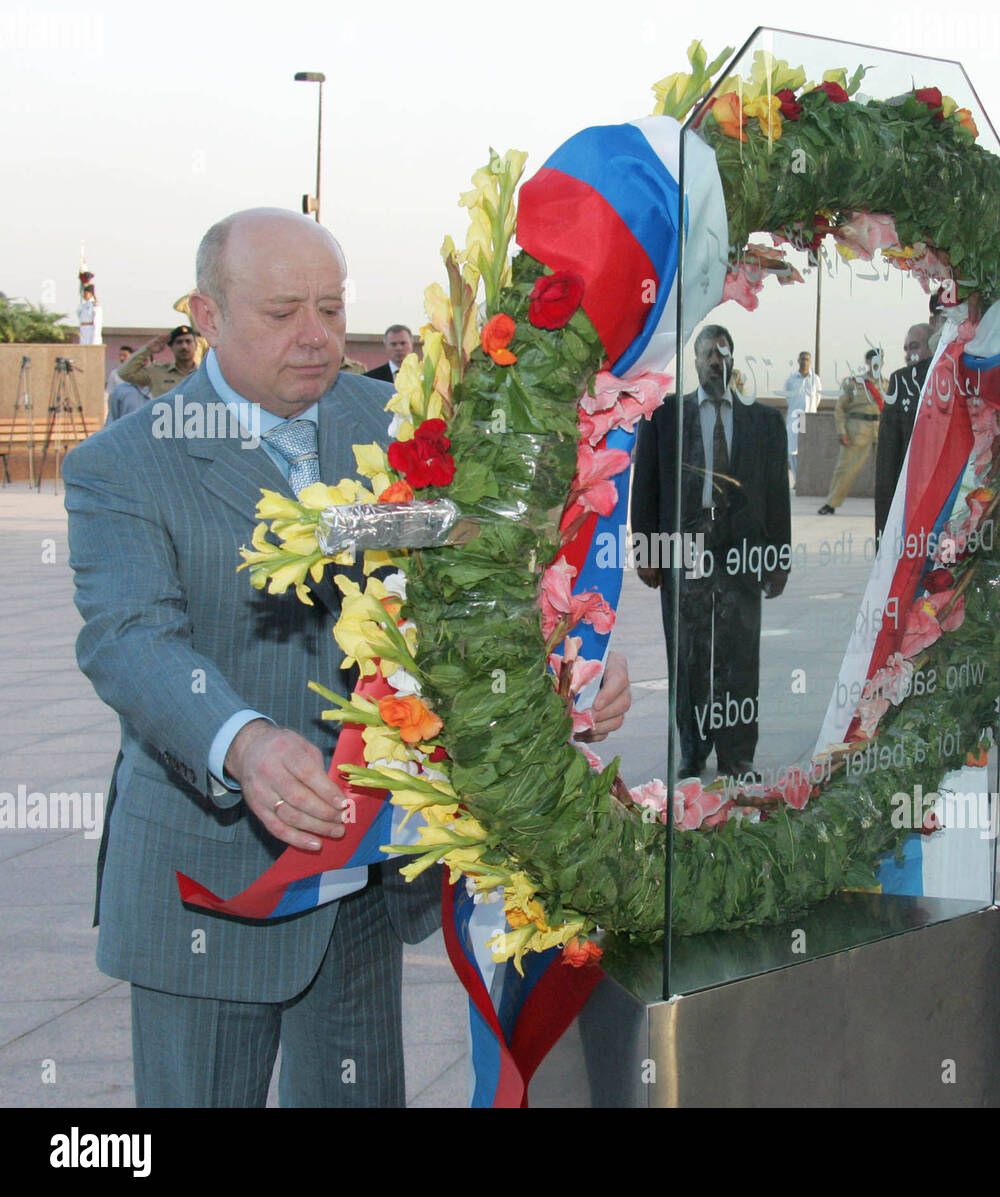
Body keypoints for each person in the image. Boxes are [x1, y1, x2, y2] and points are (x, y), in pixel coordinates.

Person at [63, 208, 630, 1108]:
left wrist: (570, 658)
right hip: (209, 883)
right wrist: (243, 743)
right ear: (206, 316)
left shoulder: (403, 427)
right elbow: (131, 639)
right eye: (283, 311)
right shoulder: (125, 463)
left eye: (330, 309)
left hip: (364, 886)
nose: (316, 337)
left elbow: (480, 571)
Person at [630, 324, 790, 778]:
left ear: (733, 359)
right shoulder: (664, 418)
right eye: (708, 356)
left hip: (741, 549)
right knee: (688, 653)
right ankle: (692, 751)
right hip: (684, 544)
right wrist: (647, 551)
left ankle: (738, 754)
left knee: (740, 652)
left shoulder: (763, 423)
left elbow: (777, 493)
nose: (717, 362)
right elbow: (646, 488)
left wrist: (778, 557)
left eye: (724, 354)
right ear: (695, 362)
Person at [871, 324, 932, 540]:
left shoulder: (903, 380)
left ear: (932, 346)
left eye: (914, 347)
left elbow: (889, 456)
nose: (908, 355)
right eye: (905, 349)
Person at [818, 348, 884, 515]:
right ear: (868, 362)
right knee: (845, 468)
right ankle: (831, 503)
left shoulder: (888, 384)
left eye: (879, 360)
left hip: (881, 428)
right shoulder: (854, 383)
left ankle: (888, 506)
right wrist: (841, 431)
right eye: (873, 360)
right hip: (858, 429)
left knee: (887, 471)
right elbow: (840, 408)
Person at [118, 324, 200, 396]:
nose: (184, 347)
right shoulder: (157, 373)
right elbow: (124, 373)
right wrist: (147, 349)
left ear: (196, 345)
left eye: (188, 341)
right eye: (179, 342)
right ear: (171, 347)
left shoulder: (205, 373)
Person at [782, 350, 821, 482]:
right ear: (798, 361)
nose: (804, 362)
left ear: (810, 362)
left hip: (809, 418)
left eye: (807, 359)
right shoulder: (791, 380)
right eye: (802, 359)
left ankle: (807, 479)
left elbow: (818, 397)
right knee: (793, 449)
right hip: (795, 416)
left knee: (808, 448)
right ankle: (798, 478)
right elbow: (787, 396)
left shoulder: (815, 380)